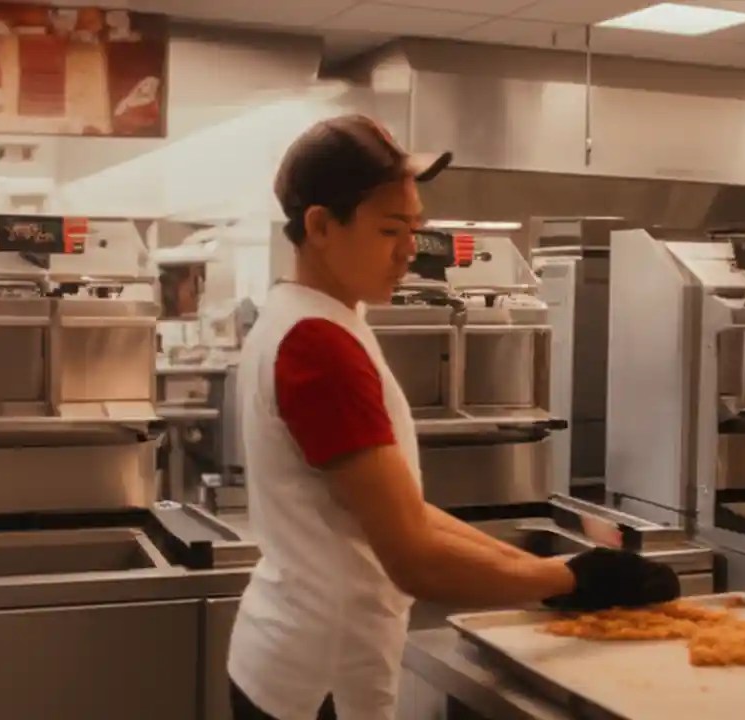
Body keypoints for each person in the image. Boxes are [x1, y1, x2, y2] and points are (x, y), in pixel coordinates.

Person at [227, 114, 680, 720]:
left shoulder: (311, 316)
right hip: (318, 681)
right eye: (390, 229)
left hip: (296, 660)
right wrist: (570, 582)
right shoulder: (318, 345)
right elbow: (413, 557)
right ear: (320, 226)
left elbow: (404, 512)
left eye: (415, 227)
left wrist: (547, 570)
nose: (410, 250)